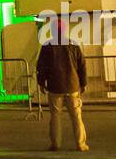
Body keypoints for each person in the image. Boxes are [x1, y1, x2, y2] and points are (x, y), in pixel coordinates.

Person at [35, 16, 89, 151]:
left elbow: (41, 66)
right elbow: (82, 65)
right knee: (76, 116)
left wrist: (41, 82)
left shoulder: (47, 45)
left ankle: (56, 144)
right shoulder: (73, 44)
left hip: (55, 86)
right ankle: (80, 144)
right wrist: (83, 83)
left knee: (55, 117)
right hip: (72, 86)